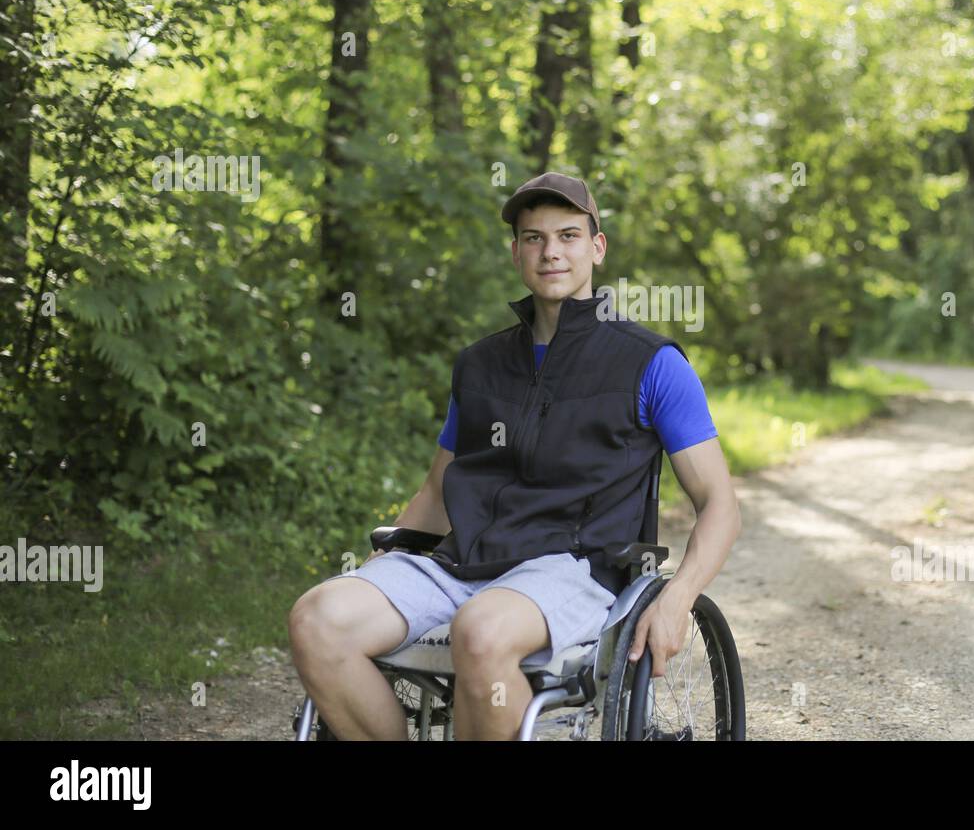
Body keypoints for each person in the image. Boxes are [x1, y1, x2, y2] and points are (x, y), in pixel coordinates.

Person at [288, 171, 741, 740]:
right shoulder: (479, 366)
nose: (551, 251)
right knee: (318, 619)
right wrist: (384, 569)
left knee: (479, 630)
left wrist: (678, 598)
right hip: (465, 564)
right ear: (517, 252)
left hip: (573, 568)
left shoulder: (652, 364)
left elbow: (719, 503)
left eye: (569, 235)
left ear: (596, 247)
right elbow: (436, 493)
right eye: (534, 238)